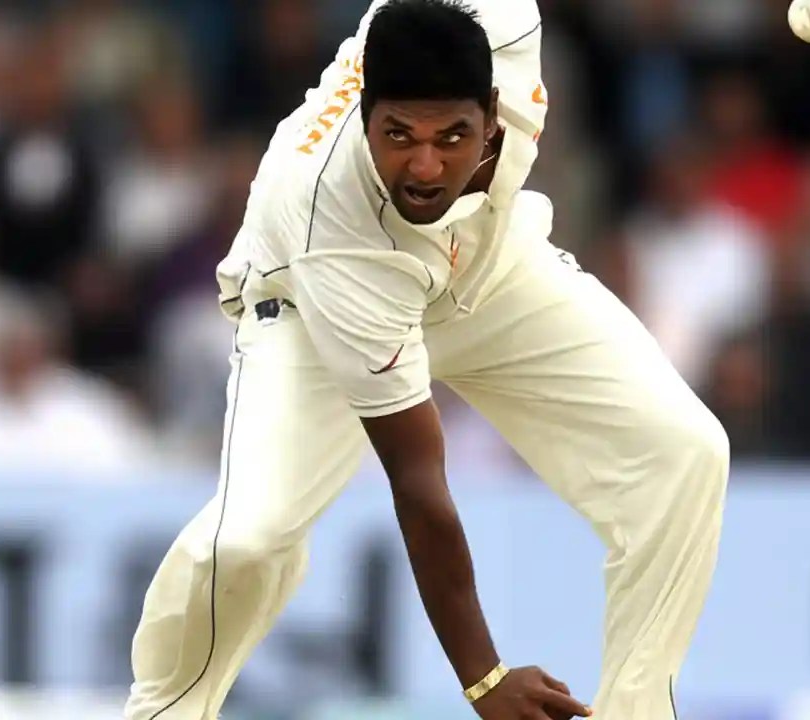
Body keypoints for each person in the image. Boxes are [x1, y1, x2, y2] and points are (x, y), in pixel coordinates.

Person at [125, 1, 730, 719]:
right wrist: (484, 678)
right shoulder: (332, 216)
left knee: (686, 452)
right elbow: (416, 479)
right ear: (364, 117)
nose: (423, 164)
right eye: (398, 135)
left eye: (453, 137)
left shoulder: (505, 21)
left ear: (493, 118)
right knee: (251, 540)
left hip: (487, 267)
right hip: (319, 303)